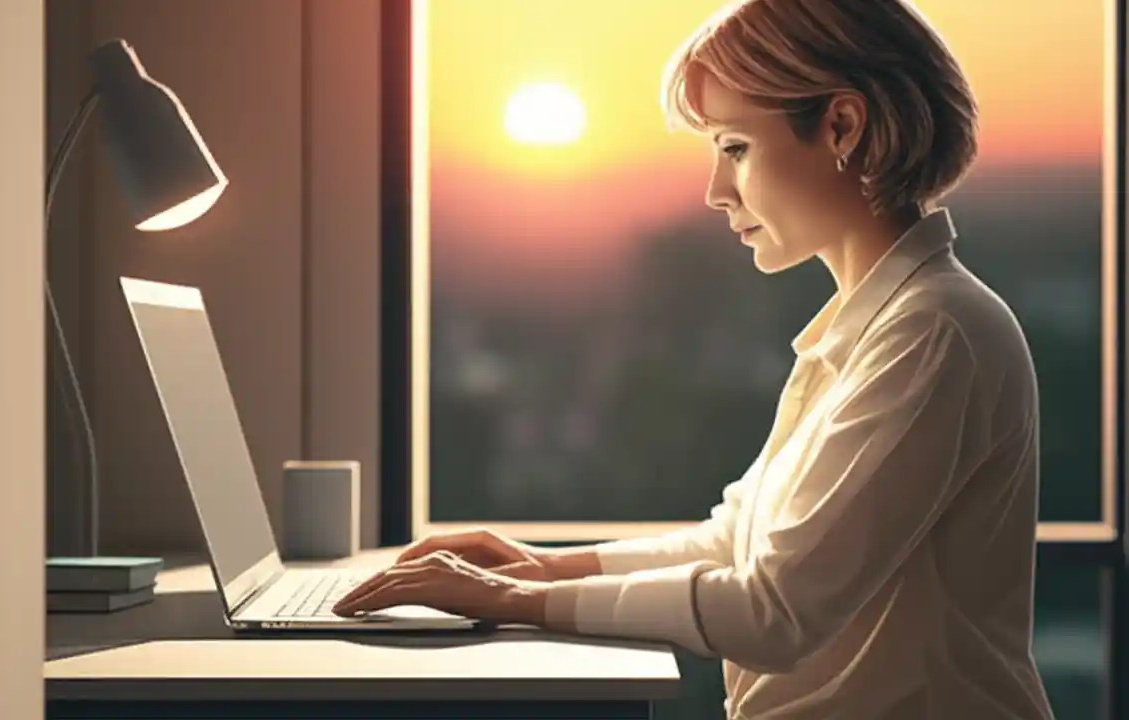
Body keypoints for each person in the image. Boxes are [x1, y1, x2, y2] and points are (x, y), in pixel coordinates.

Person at [335, 1, 1057, 717]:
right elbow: (734, 542)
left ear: (842, 126)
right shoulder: (873, 328)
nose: (715, 191)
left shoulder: (933, 333)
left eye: (735, 148)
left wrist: (523, 600)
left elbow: (773, 611)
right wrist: (541, 564)